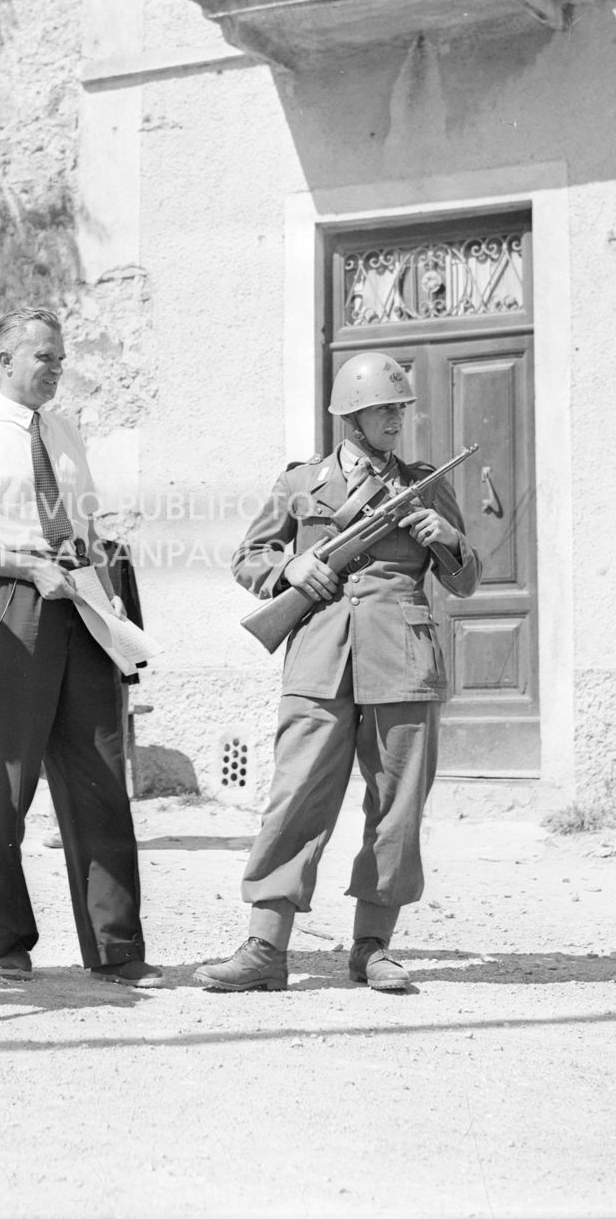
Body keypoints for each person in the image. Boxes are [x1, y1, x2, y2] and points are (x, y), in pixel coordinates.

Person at [195, 351, 482, 994]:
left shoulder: (425, 483)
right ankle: (265, 949)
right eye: (385, 408)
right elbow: (250, 556)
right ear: (351, 416)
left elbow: (464, 582)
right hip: (319, 656)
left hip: (402, 659)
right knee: (296, 798)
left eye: (400, 408)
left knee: (397, 807)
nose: (397, 419)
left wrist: (446, 537)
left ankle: (373, 948)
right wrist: (287, 571)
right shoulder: (301, 483)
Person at [0, 308, 162, 988]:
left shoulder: (65, 433)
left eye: (60, 356)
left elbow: (83, 523)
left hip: (81, 606)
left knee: (99, 774)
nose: (57, 366)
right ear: (4, 360)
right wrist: (23, 563)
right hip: (9, 609)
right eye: (44, 356)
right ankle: (9, 940)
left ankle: (117, 946)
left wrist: (106, 587)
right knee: (6, 782)